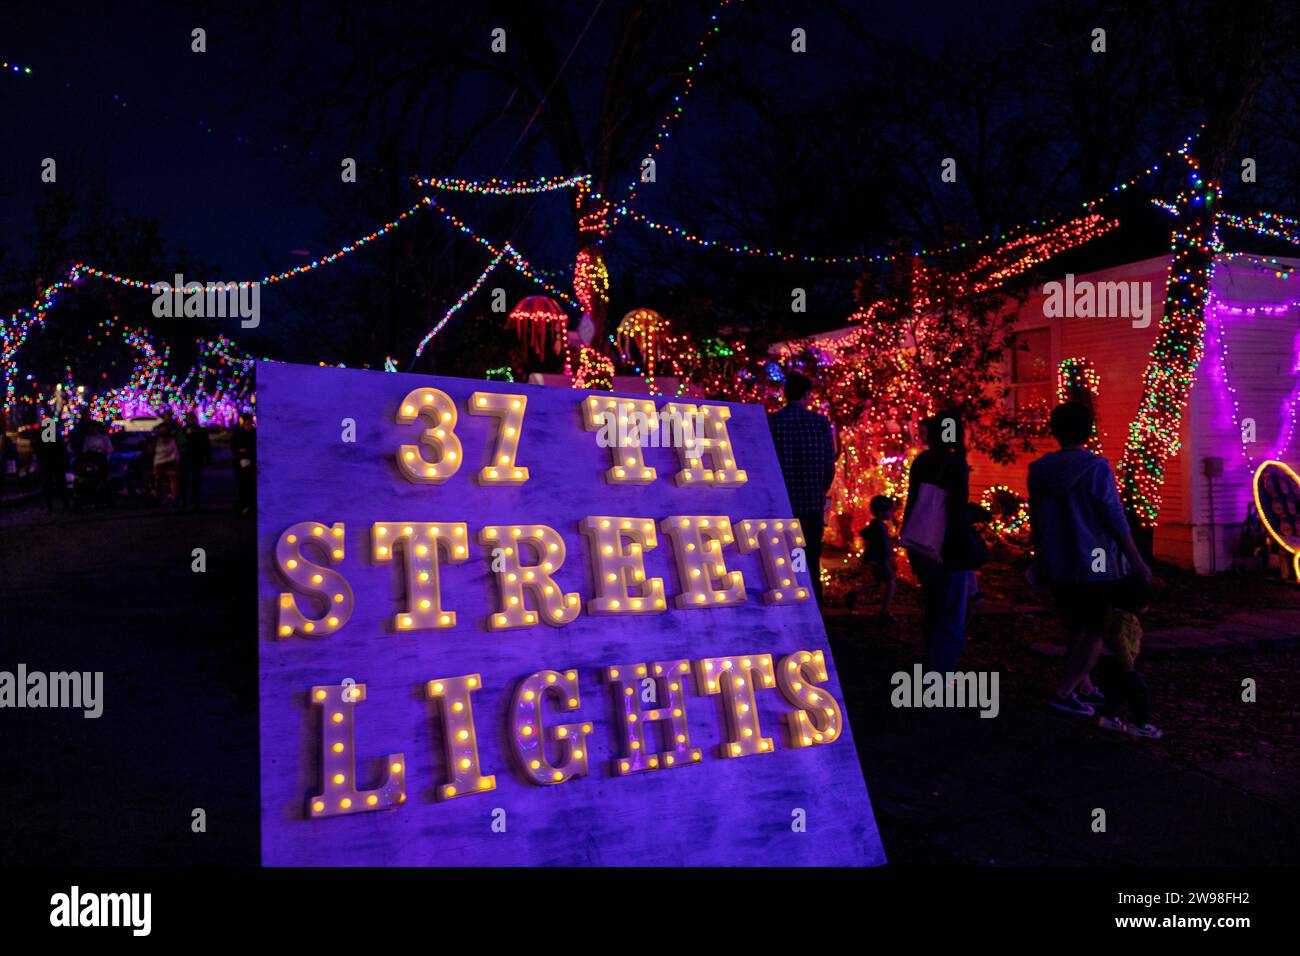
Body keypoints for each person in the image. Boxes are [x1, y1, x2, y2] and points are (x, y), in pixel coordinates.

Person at [1029, 401, 1153, 717]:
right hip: (1095, 564)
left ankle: (1083, 687)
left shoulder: (1039, 470)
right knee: (1095, 631)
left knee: (1075, 627)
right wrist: (1137, 561)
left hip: (1059, 562)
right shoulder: (1096, 468)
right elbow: (1114, 517)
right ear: (1088, 430)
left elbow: (1037, 519)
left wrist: (1041, 556)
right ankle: (1065, 692)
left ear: (1055, 430)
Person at [903, 411, 984, 674]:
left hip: (922, 543)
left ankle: (932, 663)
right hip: (949, 548)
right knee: (951, 612)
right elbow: (955, 510)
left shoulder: (922, 461)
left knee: (934, 605)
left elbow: (915, 501)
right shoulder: (955, 464)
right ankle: (941, 672)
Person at [768, 372, 837, 606]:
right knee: (811, 558)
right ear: (807, 394)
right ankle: (812, 606)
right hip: (811, 507)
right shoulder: (820, 423)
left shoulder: (772, 422)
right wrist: (819, 490)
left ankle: (792, 603)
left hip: (782, 506)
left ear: (785, 394)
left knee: (786, 559)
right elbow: (829, 464)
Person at [1094, 575, 1162, 739]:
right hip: (1119, 662)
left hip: (1105, 658)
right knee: (1139, 692)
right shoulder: (1125, 620)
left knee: (1114, 691)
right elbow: (1121, 642)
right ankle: (1139, 723)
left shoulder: (1112, 614)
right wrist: (1128, 664)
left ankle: (1108, 717)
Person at [859, 495, 898, 623]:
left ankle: (853, 596)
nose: (892, 513)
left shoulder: (878, 527)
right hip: (882, 562)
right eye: (889, 510)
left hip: (879, 562)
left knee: (878, 584)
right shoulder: (879, 528)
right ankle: (884, 612)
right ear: (881, 512)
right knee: (890, 584)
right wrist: (887, 561)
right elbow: (882, 547)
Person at [33, 421, 70, 513]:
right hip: (53, 464)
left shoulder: (44, 438)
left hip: (50, 464)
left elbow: (37, 450)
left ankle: (53, 505)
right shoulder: (55, 438)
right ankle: (61, 504)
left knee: (51, 485)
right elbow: (63, 451)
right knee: (57, 485)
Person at [178, 411, 211, 512]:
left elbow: (205, 444)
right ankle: (183, 502)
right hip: (185, 457)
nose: (191, 420)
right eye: (189, 418)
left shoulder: (201, 430)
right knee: (184, 480)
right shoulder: (183, 430)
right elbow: (180, 443)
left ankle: (195, 503)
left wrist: (207, 456)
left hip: (196, 457)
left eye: (192, 418)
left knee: (196, 481)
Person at [231, 413, 256, 517]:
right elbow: (234, 446)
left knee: (251, 485)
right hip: (241, 462)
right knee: (243, 485)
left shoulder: (254, 432)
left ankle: (250, 506)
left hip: (252, 461)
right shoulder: (238, 433)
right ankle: (245, 505)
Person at [153, 419, 181, 505]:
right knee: (159, 478)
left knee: (173, 478)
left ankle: (173, 496)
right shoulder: (156, 437)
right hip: (160, 459)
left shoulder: (173, 435)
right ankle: (162, 495)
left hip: (171, 458)